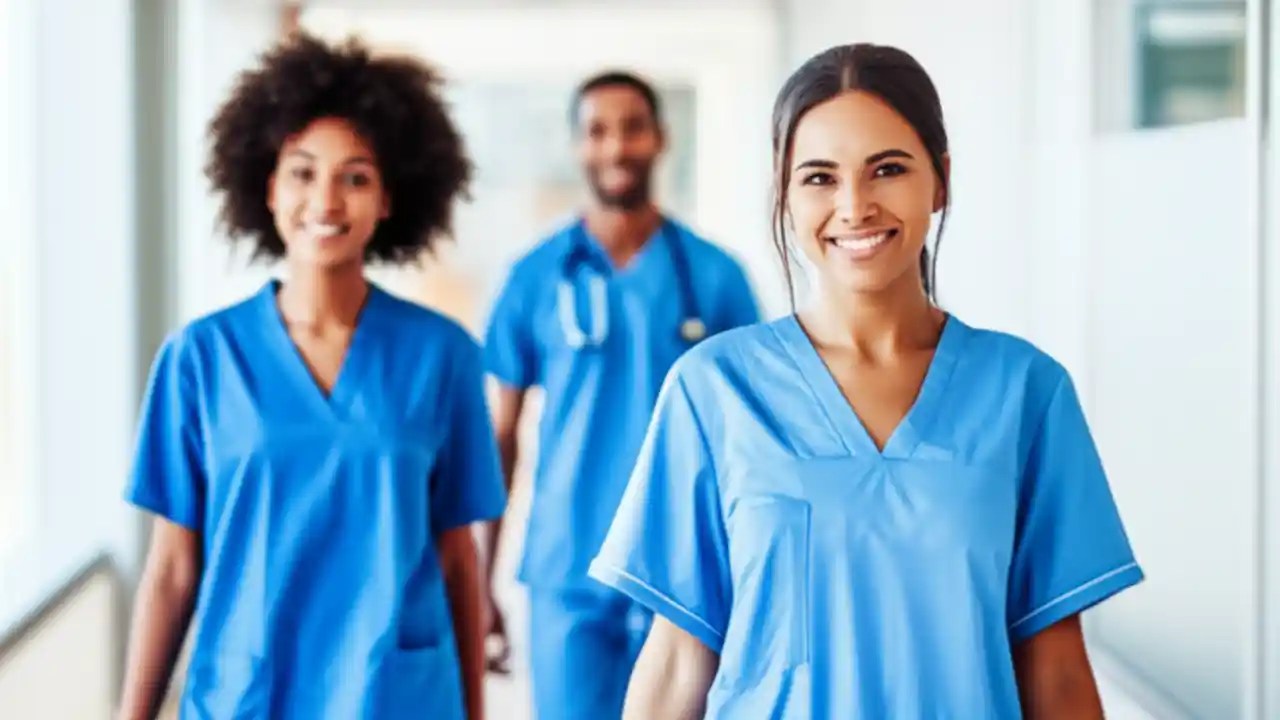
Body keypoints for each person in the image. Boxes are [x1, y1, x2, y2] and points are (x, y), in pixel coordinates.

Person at [589, 43, 1145, 718]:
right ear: (785, 196)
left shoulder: (1026, 393)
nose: (854, 206)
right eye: (819, 177)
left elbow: (1056, 674)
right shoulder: (714, 391)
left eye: (887, 169)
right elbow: (678, 663)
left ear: (940, 181)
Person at [116, 34, 504, 720]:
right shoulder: (199, 358)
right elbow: (172, 568)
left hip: (398, 696)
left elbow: (457, 561)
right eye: (302, 172)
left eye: (355, 176)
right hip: (247, 695)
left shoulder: (444, 354)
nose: (326, 199)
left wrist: (476, 713)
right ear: (267, 186)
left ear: (388, 199)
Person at [481, 70, 761, 719]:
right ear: (579, 145)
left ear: (660, 138)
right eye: (598, 131)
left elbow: (755, 437)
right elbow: (501, 436)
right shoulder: (533, 278)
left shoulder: (716, 278)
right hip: (566, 567)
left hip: (685, 568)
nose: (616, 147)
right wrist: (483, 577)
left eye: (632, 127)